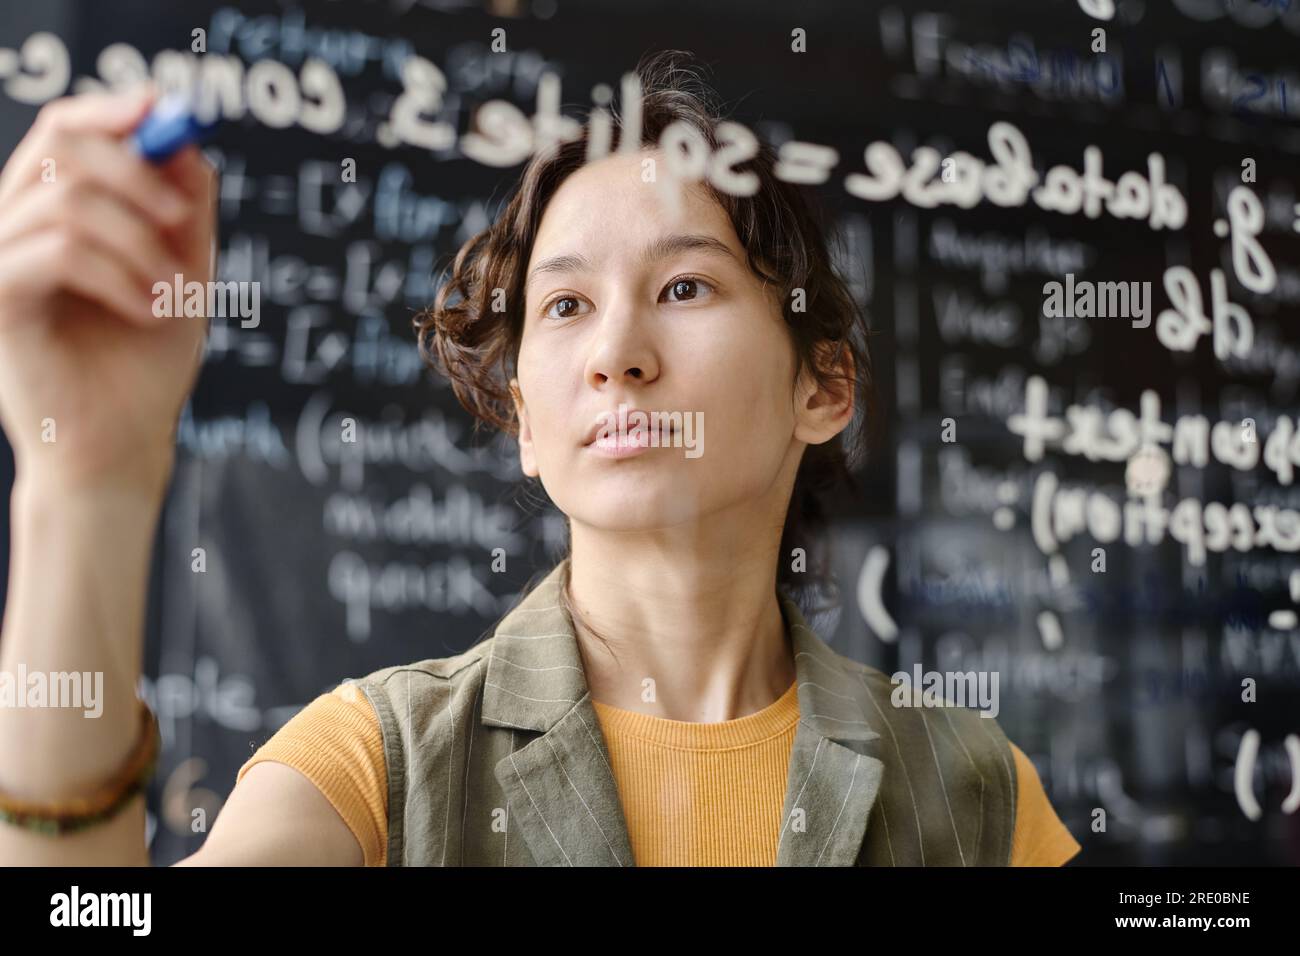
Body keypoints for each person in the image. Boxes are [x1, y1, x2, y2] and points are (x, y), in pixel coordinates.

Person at [0, 50, 1079, 866]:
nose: (615, 354)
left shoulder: (972, 787)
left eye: (685, 286)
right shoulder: (375, 766)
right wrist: (84, 480)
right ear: (525, 419)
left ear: (822, 385)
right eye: (565, 304)